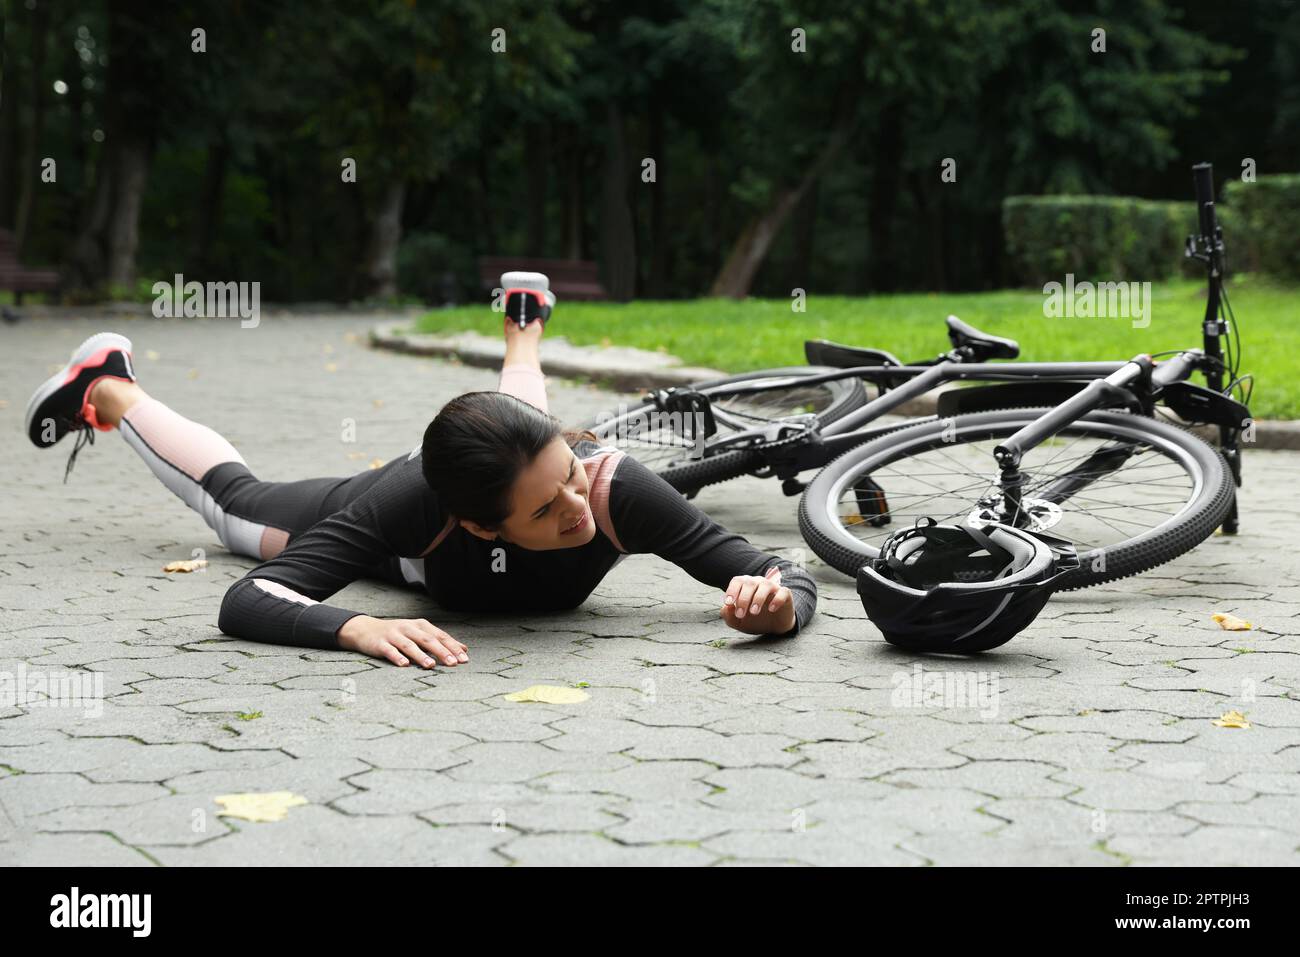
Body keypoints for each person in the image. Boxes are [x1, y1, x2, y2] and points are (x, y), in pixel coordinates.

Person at [24, 273, 817, 669]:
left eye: (573, 482)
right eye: (547, 515)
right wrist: (354, 625)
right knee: (238, 511)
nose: (576, 508)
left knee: (527, 444)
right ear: (476, 526)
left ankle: (522, 328)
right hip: (398, 509)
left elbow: (785, 574)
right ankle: (109, 385)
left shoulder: (607, 488)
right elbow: (250, 599)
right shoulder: (412, 503)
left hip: (510, 454)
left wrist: (776, 609)